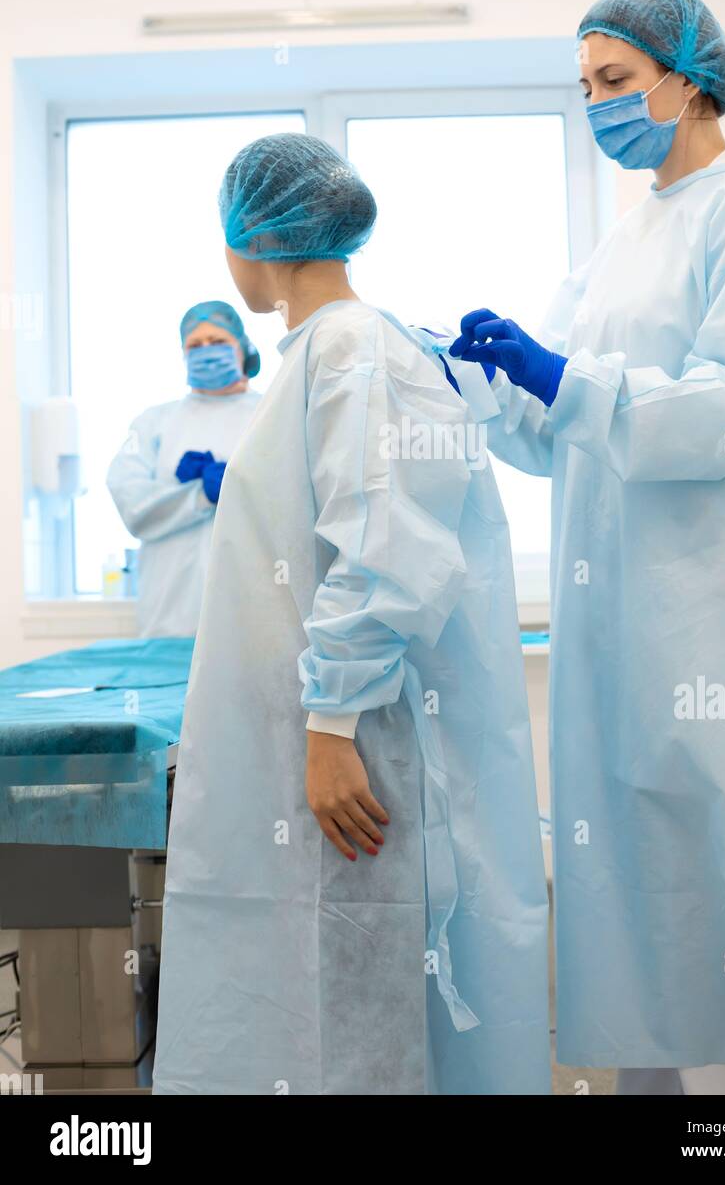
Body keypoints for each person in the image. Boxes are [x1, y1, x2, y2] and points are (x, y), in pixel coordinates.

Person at [451, 0, 725, 1097]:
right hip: (623, 619)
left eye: (616, 82)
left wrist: (563, 377)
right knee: (639, 887)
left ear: (688, 79)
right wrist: (495, 384)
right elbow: (568, 436)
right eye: (584, 87)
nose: (598, 107)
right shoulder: (622, 239)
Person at [151, 134, 550, 1095]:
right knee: (314, 990)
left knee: (358, 996)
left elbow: (387, 552)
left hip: (346, 742)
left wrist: (330, 724)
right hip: (314, 733)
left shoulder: (351, 349)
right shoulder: (325, 353)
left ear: (253, 236)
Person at [106, 301, 261, 637]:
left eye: (218, 341)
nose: (206, 351)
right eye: (195, 345)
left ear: (244, 348)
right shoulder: (154, 424)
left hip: (253, 613)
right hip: (170, 615)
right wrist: (201, 496)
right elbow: (133, 505)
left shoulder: (270, 414)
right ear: (182, 354)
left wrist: (242, 490)